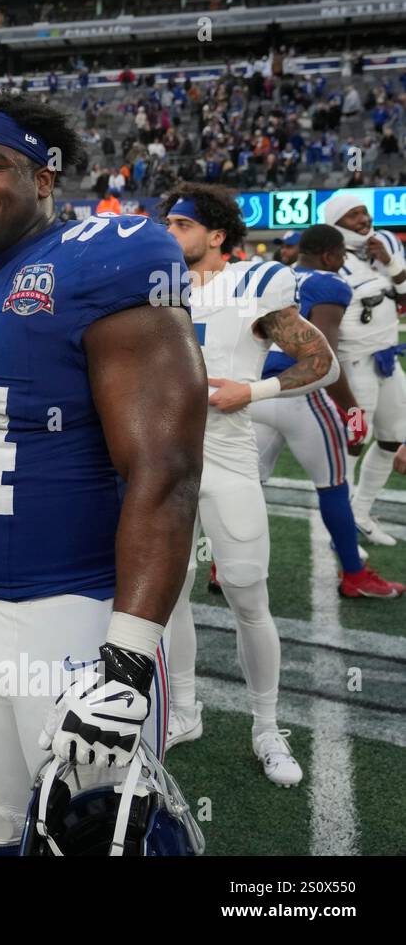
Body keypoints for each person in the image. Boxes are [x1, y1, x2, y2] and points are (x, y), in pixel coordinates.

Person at [0, 94, 207, 854]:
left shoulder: (103, 261)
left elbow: (167, 470)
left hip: (72, 614)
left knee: (93, 837)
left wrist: (124, 663)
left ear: (45, 178)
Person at [161, 182, 339, 787]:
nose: (168, 232)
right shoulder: (152, 287)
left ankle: (267, 725)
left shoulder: (258, 283)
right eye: (165, 222)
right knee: (169, 593)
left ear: (216, 236)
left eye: (181, 224)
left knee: (246, 594)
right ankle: (184, 711)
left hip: (227, 461)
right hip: (162, 463)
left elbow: (322, 362)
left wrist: (253, 391)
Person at [252, 224, 401, 598]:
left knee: (248, 485)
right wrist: (352, 410)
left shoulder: (268, 274)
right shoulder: (331, 284)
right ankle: (354, 575)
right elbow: (322, 360)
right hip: (299, 395)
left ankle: (227, 569)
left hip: (255, 391)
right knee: (334, 484)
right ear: (332, 256)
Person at [322, 192, 406, 547]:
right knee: (354, 440)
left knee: (393, 436)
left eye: (364, 212)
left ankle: (360, 513)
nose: (363, 220)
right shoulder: (329, 257)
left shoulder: (386, 240)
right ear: (336, 223)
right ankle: (341, 524)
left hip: (387, 361)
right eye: (353, 215)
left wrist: (390, 264)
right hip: (354, 367)